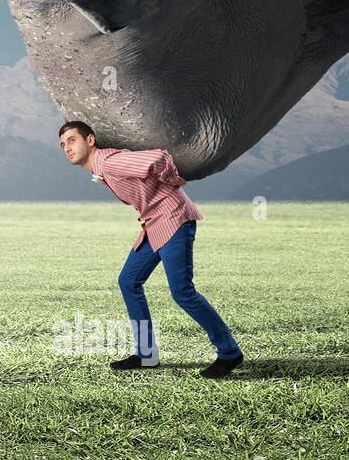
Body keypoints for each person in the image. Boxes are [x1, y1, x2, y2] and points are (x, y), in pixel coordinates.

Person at [59, 120, 244, 379]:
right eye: (63, 144)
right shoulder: (102, 169)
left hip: (173, 218)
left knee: (182, 292)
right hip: (154, 223)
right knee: (128, 280)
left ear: (90, 140)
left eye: (72, 140)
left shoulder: (110, 162)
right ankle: (146, 354)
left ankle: (229, 353)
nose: (67, 147)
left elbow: (159, 158)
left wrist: (173, 181)